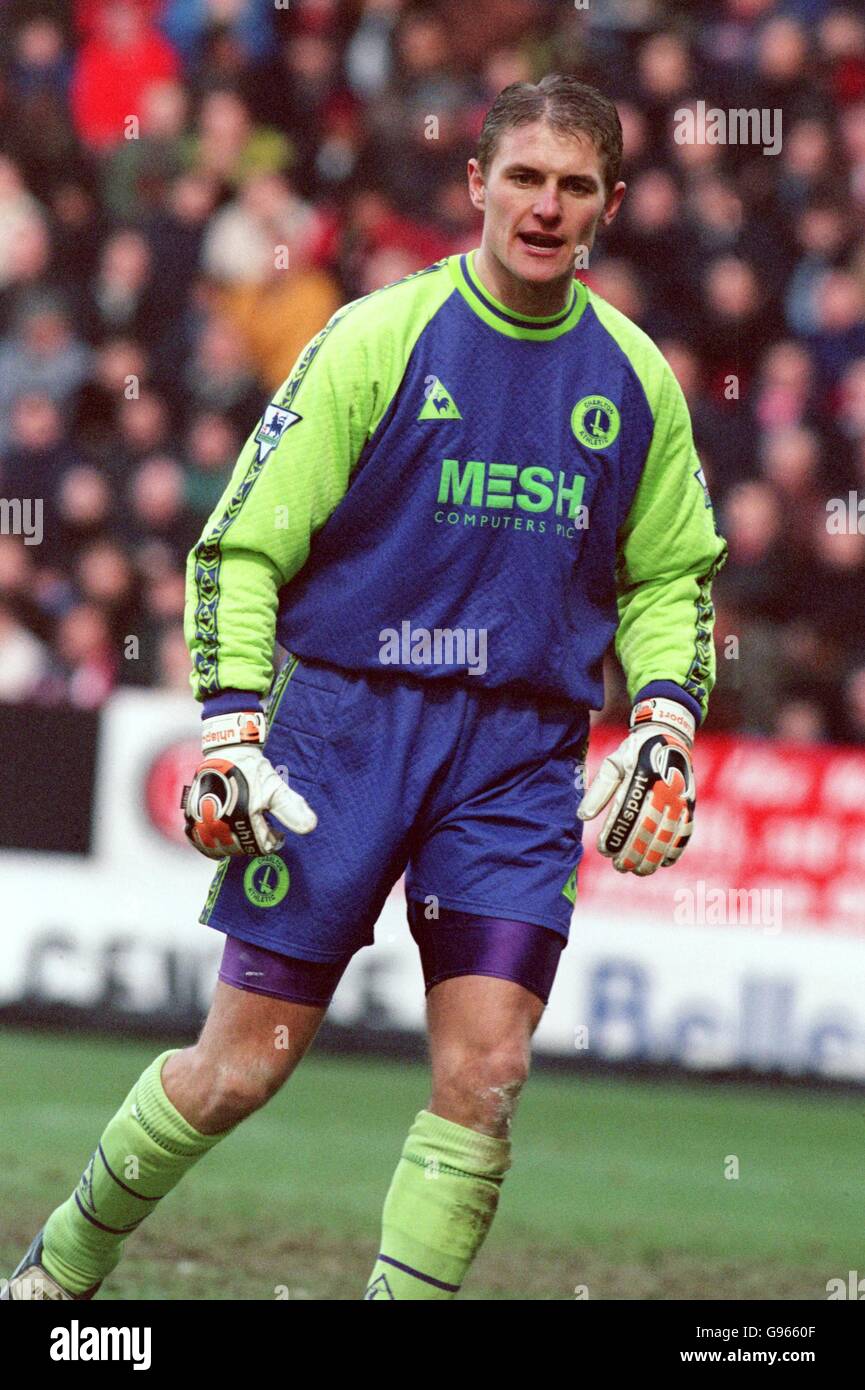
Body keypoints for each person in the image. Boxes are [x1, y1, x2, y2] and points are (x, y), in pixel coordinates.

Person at [3, 75, 726, 1303]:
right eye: (524, 179)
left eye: (574, 186)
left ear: (606, 204)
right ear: (476, 186)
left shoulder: (636, 381)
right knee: (237, 1072)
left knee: (486, 1074)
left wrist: (662, 709)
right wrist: (232, 730)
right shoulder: (377, 337)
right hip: (342, 734)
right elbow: (240, 547)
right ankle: (61, 1268)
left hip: (518, 757)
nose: (545, 208)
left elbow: (673, 576)